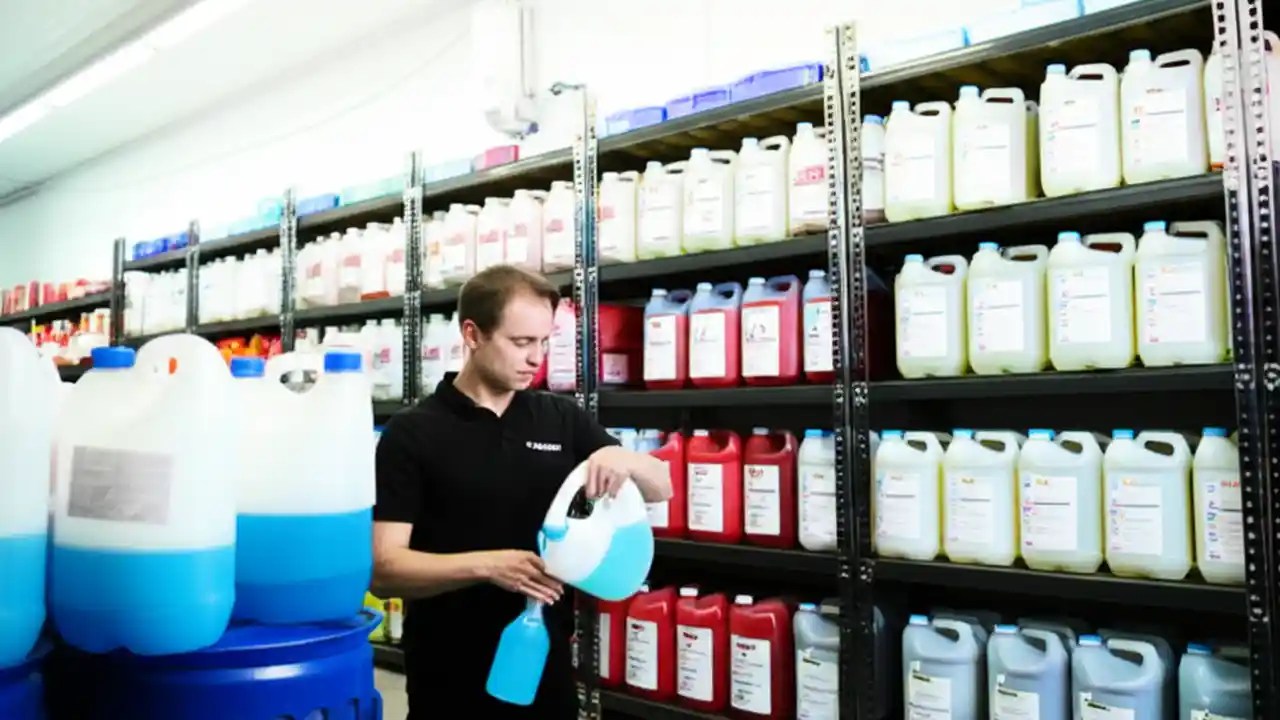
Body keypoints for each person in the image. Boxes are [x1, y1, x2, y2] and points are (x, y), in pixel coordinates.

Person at [372, 265, 672, 718]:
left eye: (545, 342)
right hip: (449, 671)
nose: (537, 358)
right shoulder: (413, 434)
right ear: (472, 334)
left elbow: (660, 486)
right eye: (521, 342)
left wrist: (626, 460)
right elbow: (385, 568)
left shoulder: (559, 418)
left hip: (544, 667)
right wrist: (488, 565)